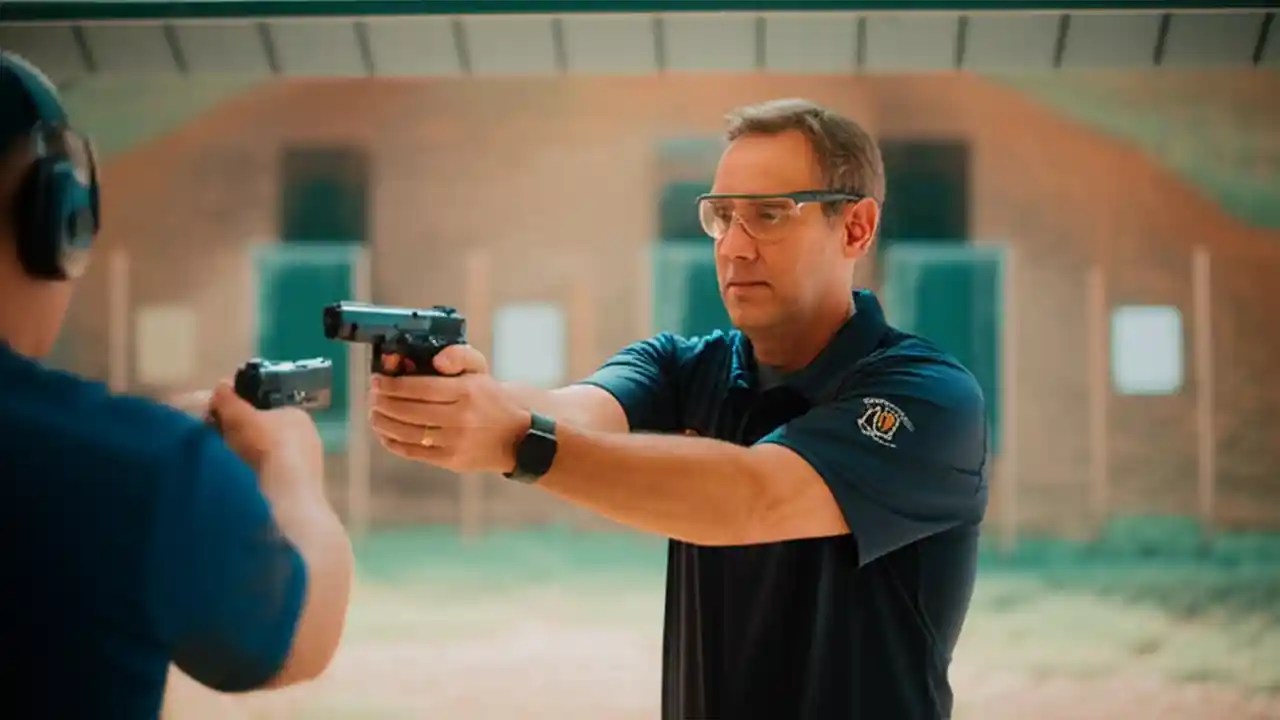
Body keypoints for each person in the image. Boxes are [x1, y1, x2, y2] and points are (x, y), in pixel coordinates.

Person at [369, 98, 989, 719]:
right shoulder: (682, 367)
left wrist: (517, 441)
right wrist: (462, 396)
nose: (735, 248)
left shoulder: (929, 398)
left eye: (770, 215)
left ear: (855, 227)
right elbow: (571, 412)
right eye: (722, 217)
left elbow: (754, 497)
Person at [0, 51, 354, 718]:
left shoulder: (141, 465)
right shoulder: (142, 474)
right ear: (55, 221)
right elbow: (293, 639)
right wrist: (289, 465)